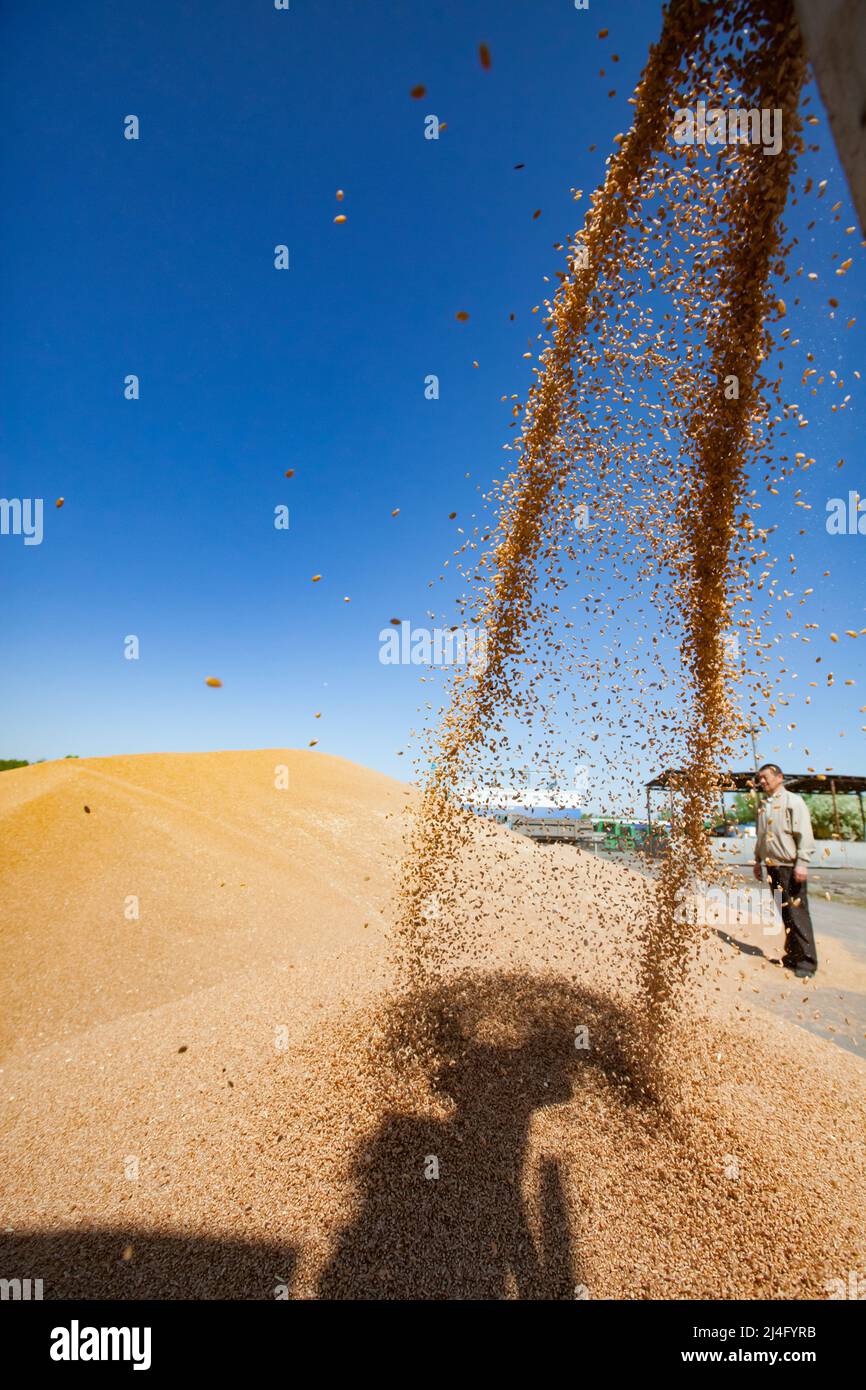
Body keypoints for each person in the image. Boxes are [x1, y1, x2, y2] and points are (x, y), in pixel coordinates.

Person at [753, 763, 818, 978]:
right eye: (759, 778)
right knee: (785, 913)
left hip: (790, 867)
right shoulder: (763, 805)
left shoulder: (793, 801)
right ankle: (792, 955)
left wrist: (802, 862)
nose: (761, 781)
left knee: (797, 913)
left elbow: (805, 834)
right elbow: (761, 836)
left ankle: (808, 962)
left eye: (765, 777)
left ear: (779, 777)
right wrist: (757, 860)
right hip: (772, 867)